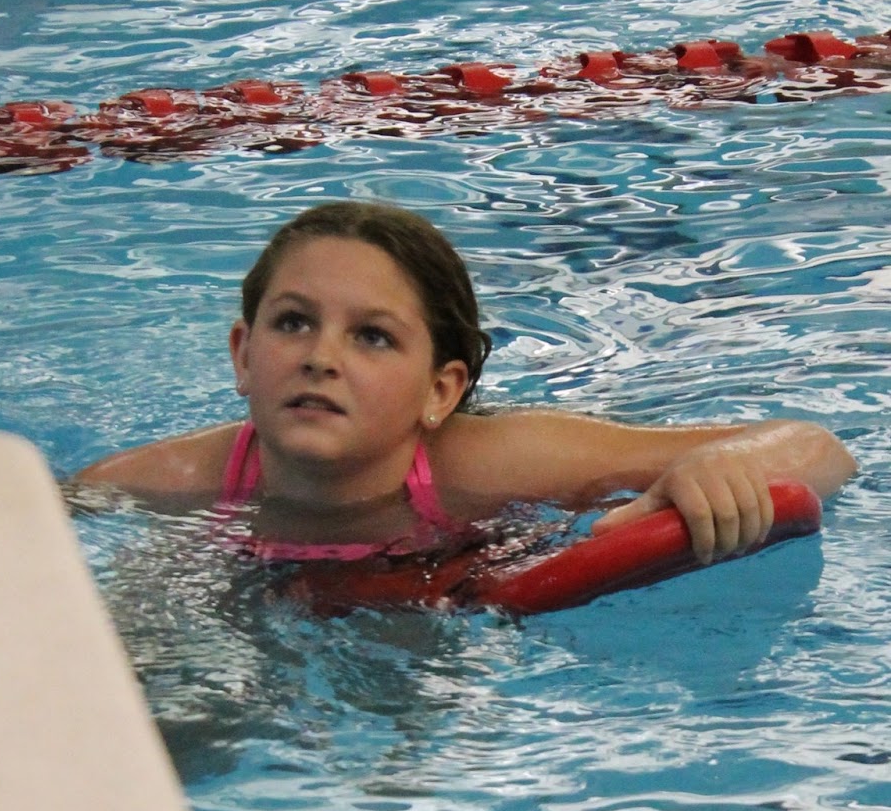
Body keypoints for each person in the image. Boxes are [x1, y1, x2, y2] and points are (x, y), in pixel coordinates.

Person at [71, 200, 856, 565]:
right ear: (243, 356)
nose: (320, 357)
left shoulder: (486, 463)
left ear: (440, 392)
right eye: (293, 322)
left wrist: (721, 466)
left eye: (372, 336)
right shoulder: (163, 482)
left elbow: (820, 448)